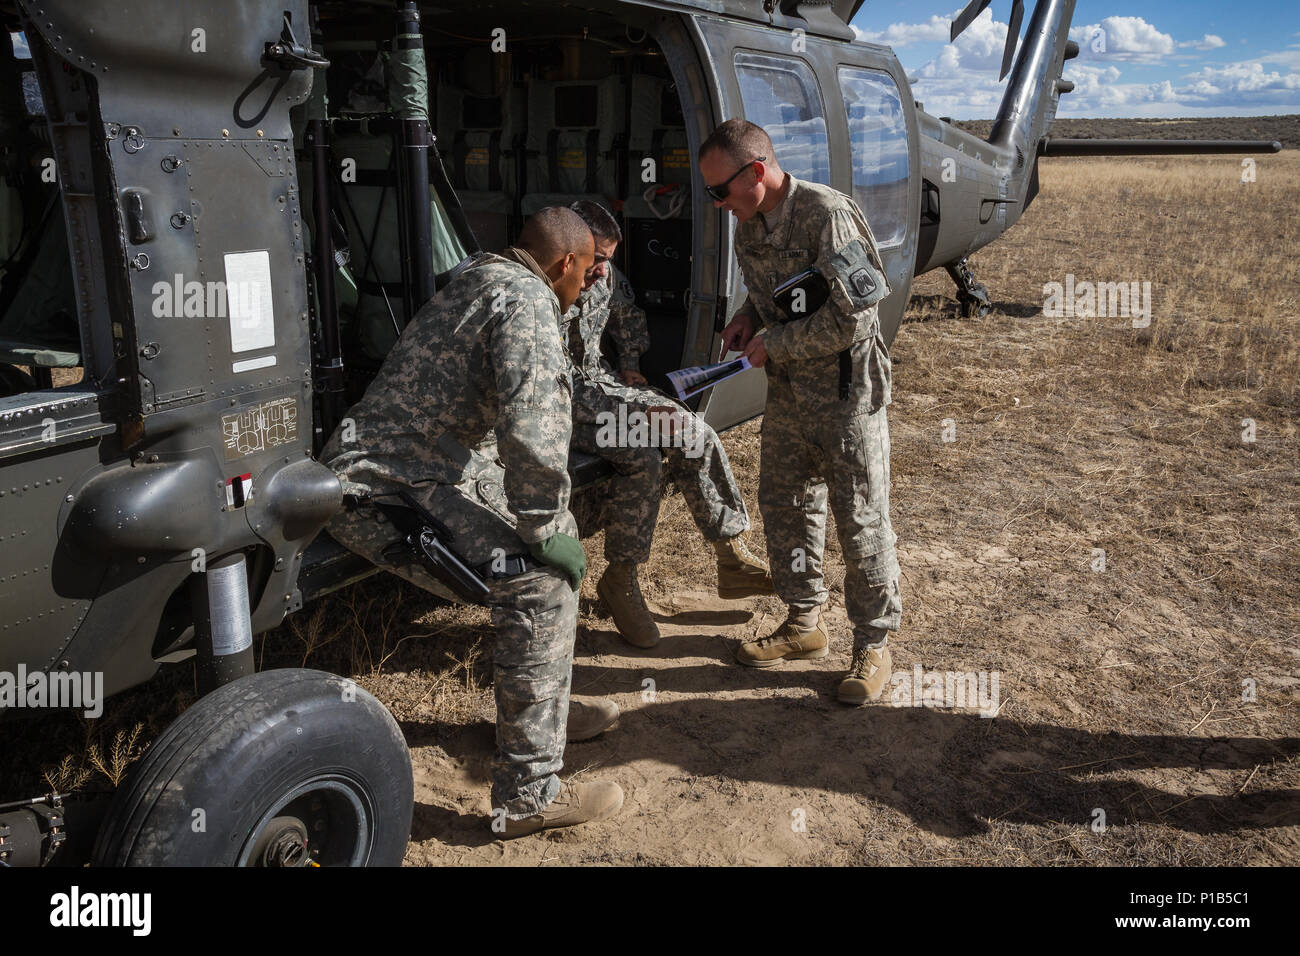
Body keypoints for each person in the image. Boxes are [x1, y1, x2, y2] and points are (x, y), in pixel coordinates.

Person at [320, 206, 623, 837]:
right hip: (380, 489)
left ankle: (544, 716)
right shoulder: (530, 305)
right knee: (539, 586)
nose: (590, 283)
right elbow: (533, 428)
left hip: (416, 467)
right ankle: (528, 797)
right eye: (590, 268)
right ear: (565, 262)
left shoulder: (483, 278)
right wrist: (545, 528)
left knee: (534, 567)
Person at [697, 119, 902, 705]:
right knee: (787, 507)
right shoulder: (748, 221)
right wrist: (747, 318)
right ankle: (804, 623)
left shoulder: (825, 214)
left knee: (859, 520)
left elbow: (859, 315)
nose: (717, 203)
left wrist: (776, 344)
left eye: (720, 191)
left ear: (756, 172)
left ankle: (874, 644)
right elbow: (777, 294)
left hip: (846, 397)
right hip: (789, 396)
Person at [563, 199, 772, 649]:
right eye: (597, 259)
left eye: (608, 261)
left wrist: (632, 362)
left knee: (646, 457)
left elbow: (626, 315)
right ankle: (730, 552)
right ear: (568, 247)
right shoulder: (540, 286)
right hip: (561, 405)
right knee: (685, 429)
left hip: (601, 391)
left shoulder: (603, 276)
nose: (602, 271)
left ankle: (623, 578)